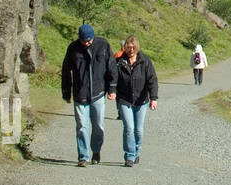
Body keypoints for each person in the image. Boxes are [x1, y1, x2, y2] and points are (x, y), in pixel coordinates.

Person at [61, 24, 116, 167]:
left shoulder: (103, 45)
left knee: (98, 126)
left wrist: (112, 88)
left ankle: (96, 151)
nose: (87, 43)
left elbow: (112, 67)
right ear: (79, 38)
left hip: (98, 94)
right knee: (81, 126)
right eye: (84, 40)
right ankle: (83, 157)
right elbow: (66, 71)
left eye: (89, 40)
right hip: (80, 95)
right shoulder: (73, 48)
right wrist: (66, 92)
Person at [111, 37, 159, 167]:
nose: (131, 50)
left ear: (137, 47)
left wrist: (153, 98)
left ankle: (137, 151)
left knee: (138, 130)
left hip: (141, 101)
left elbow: (152, 80)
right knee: (129, 128)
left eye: (133, 47)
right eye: (128, 47)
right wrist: (111, 90)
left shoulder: (145, 61)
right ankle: (129, 156)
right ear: (125, 47)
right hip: (124, 100)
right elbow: (113, 77)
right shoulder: (119, 62)